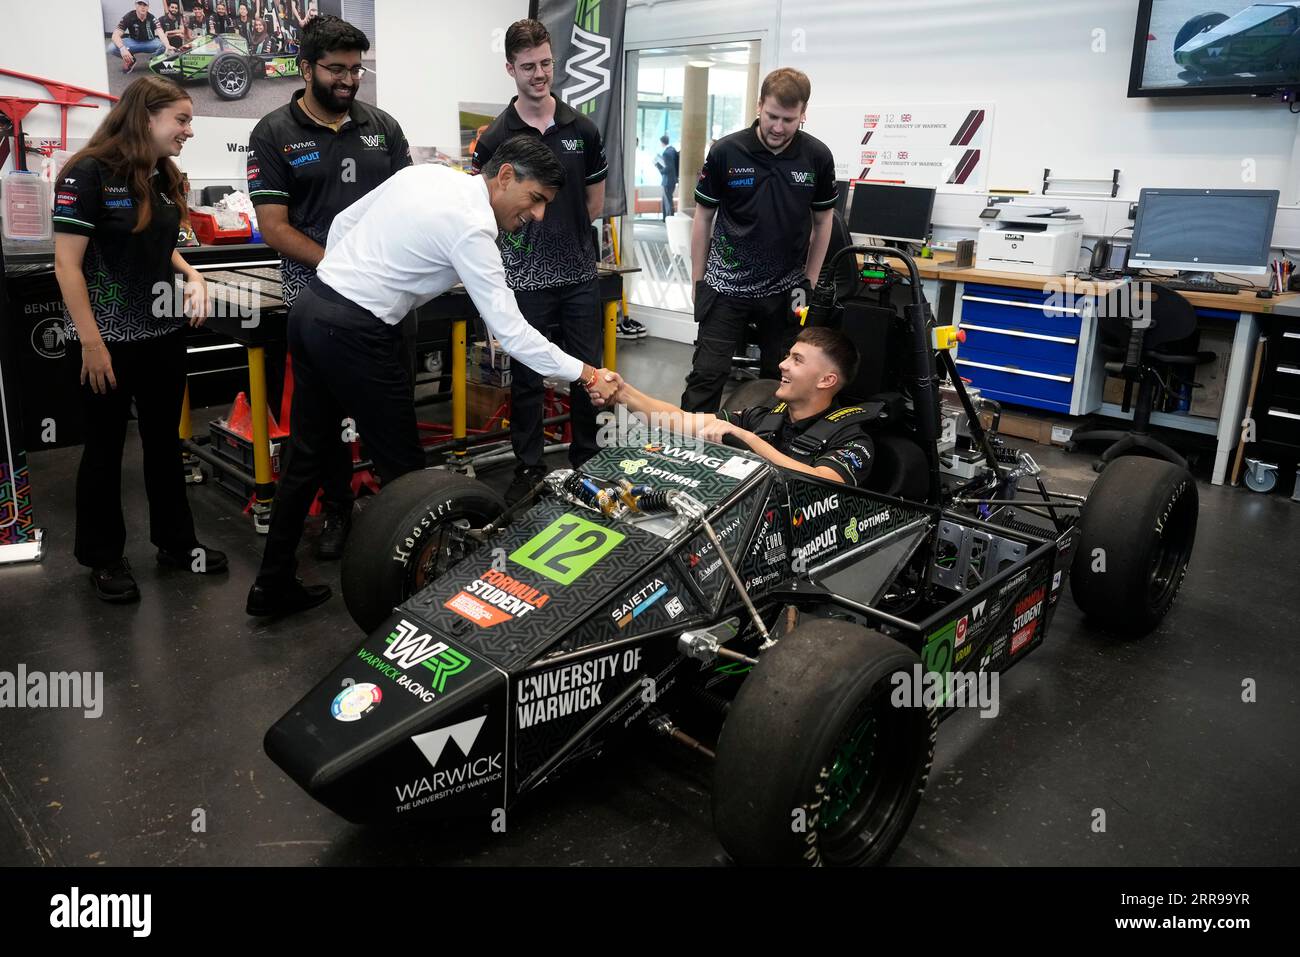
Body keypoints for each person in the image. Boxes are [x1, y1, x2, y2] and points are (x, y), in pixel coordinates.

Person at [246, 135, 620, 618]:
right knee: (409, 476)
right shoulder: (472, 228)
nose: (539, 215)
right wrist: (586, 372)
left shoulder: (427, 174)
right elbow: (511, 334)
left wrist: (352, 275)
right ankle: (425, 606)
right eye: (536, 199)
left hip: (314, 308)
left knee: (306, 456)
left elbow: (342, 223)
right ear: (505, 176)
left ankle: (271, 585)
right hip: (357, 330)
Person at [52, 75, 227, 602]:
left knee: (164, 445)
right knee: (105, 450)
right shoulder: (86, 173)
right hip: (105, 341)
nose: (188, 131)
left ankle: (176, 544)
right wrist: (91, 342)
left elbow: (154, 240)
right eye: (182, 119)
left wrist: (191, 274)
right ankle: (103, 558)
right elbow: (66, 264)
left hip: (163, 334)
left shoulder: (159, 173)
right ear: (146, 117)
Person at [247, 14, 410, 560]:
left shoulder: (382, 127)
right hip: (316, 301)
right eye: (336, 69)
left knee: (391, 414)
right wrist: (343, 267)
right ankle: (339, 510)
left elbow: (408, 208)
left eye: (356, 69)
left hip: (387, 301)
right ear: (306, 67)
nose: (348, 79)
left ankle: (404, 519)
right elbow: (274, 227)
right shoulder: (273, 133)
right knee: (322, 423)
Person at [470, 19, 637, 508]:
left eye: (546, 62)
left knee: (589, 372)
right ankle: (529, 466)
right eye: (528, 67)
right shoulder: (495, 136)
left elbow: (592, 203)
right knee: (526, 377)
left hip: (579, 277)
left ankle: (588, 461)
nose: (539, 74)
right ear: (510, 69)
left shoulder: (582, 129)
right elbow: (481, 203)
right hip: (523, 279)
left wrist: (562, 244)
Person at [681, 67, 838, 414]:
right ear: (758, 106)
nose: (778, 128)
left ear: (803, 114)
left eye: (789, 119)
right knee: (707, 374)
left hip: (786, 288)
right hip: (725, 284)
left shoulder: (817, 156)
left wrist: (808, 281)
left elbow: (824, 221)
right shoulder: (726, 151)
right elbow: (703, 217)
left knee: (785, 377)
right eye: (772, 116)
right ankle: (687, 448)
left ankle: (769, 451)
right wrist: (698, 277)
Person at [598, 327, 874, 486]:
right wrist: (624, 393)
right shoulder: (764, 417)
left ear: (827, 380)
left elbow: (822, 482)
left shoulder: (853, 440)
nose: (782, 364)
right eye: (787, 356)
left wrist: (746, 437)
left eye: (797, 360)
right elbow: (681, 420)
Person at [107, 1, 168, 73]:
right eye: (140, 4)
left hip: (149, 43)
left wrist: (168, 45)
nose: (142, 7)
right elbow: (115, 35)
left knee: (164, 45)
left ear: (148, 7)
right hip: (133, 42)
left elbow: (160, 32)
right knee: (111, 48)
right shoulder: (128, 17)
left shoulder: (152, 18)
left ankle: (154, 61)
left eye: (145, 5)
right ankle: (130, 60)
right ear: (135, 5)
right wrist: (123, 48)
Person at [655, 134, 678, 220]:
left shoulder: (666, 153)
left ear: (662, 142)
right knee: (667, 199)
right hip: (673, 179)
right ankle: (666, 217)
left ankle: (669, 217)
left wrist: (659, 168)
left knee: (668, 200)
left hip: (667, 180)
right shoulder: (673, 150)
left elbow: (669, 167)